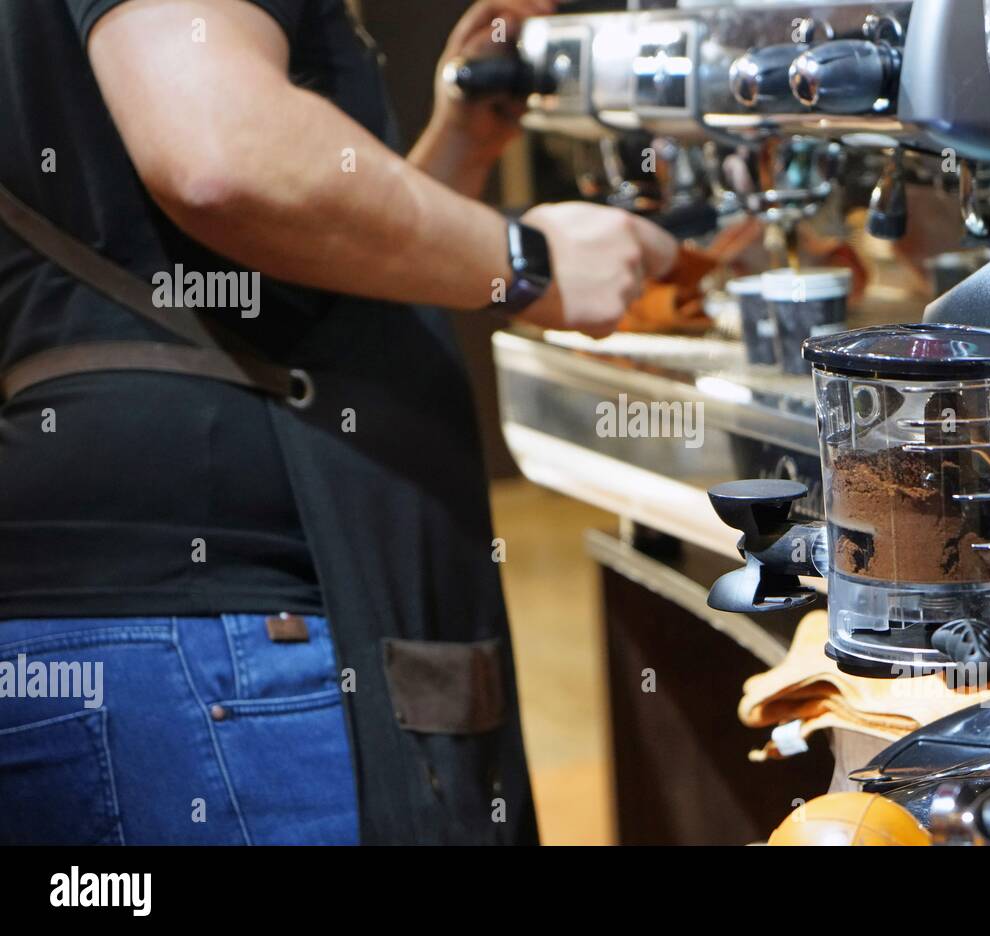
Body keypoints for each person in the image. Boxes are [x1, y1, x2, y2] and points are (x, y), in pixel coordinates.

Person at [0, 0, 677, 845]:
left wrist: (457, 148)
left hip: (138, 632)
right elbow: (220, 154)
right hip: (219, 643)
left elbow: (286, 261)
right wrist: (525, 261)